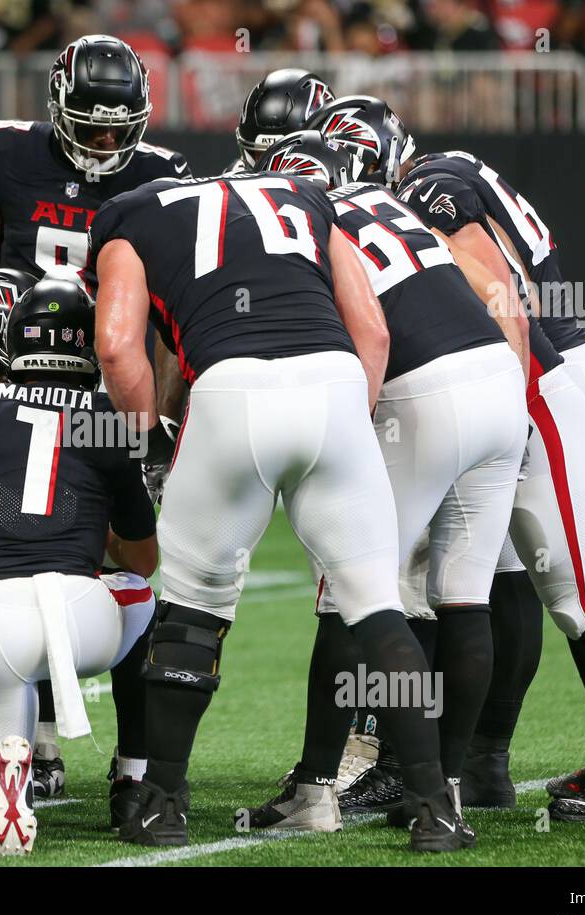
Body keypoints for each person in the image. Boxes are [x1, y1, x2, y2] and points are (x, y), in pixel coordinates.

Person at [91, 157, 471, 851]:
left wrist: (144, 442)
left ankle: (162, 802)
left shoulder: (130, 213)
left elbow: (118, 350)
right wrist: (346, 425)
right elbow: (375, 333)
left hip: (231, 389)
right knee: (378, 609)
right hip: (331, 379)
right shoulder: (305, 193)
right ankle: (435, 808)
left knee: (193, 609)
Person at [239, 132, 528, 834]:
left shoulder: (307, 222)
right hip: (498, 378)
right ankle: (448, 789)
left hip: (421, 394)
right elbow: (498, 288)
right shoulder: (389, 203)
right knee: (464, 598)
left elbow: (368, 337)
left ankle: (315, 792)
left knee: (351, 592)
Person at [395, 145, 585, 822]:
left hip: (536, 390)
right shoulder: (442, 175)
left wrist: (510, 408)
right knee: (492, 583)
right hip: (521, 385)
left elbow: (501, 296)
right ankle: (476, 768)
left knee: (580, 593)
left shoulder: (431, 191)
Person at [0, 34, 190, 796]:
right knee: (37, 559)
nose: (103, 141)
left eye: (118, 127)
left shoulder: (161, 177)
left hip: (104, 393)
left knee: (119, 558)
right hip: (17, 388)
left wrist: (151, 422)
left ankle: (131, 763)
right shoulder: (6, 156)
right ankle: (43, 746)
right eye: (89, 125)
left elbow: (160, 321)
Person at [0, 278, 158, 854]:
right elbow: (143, 560)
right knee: (146, 604)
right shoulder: (107, 421)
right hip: (79, 615)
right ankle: (134, 780)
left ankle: (10, 773)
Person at [223, 69, 335, 174]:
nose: (271, 171)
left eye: (285, 156)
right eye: (261, 156)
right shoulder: (236, 176)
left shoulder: (345, 179)